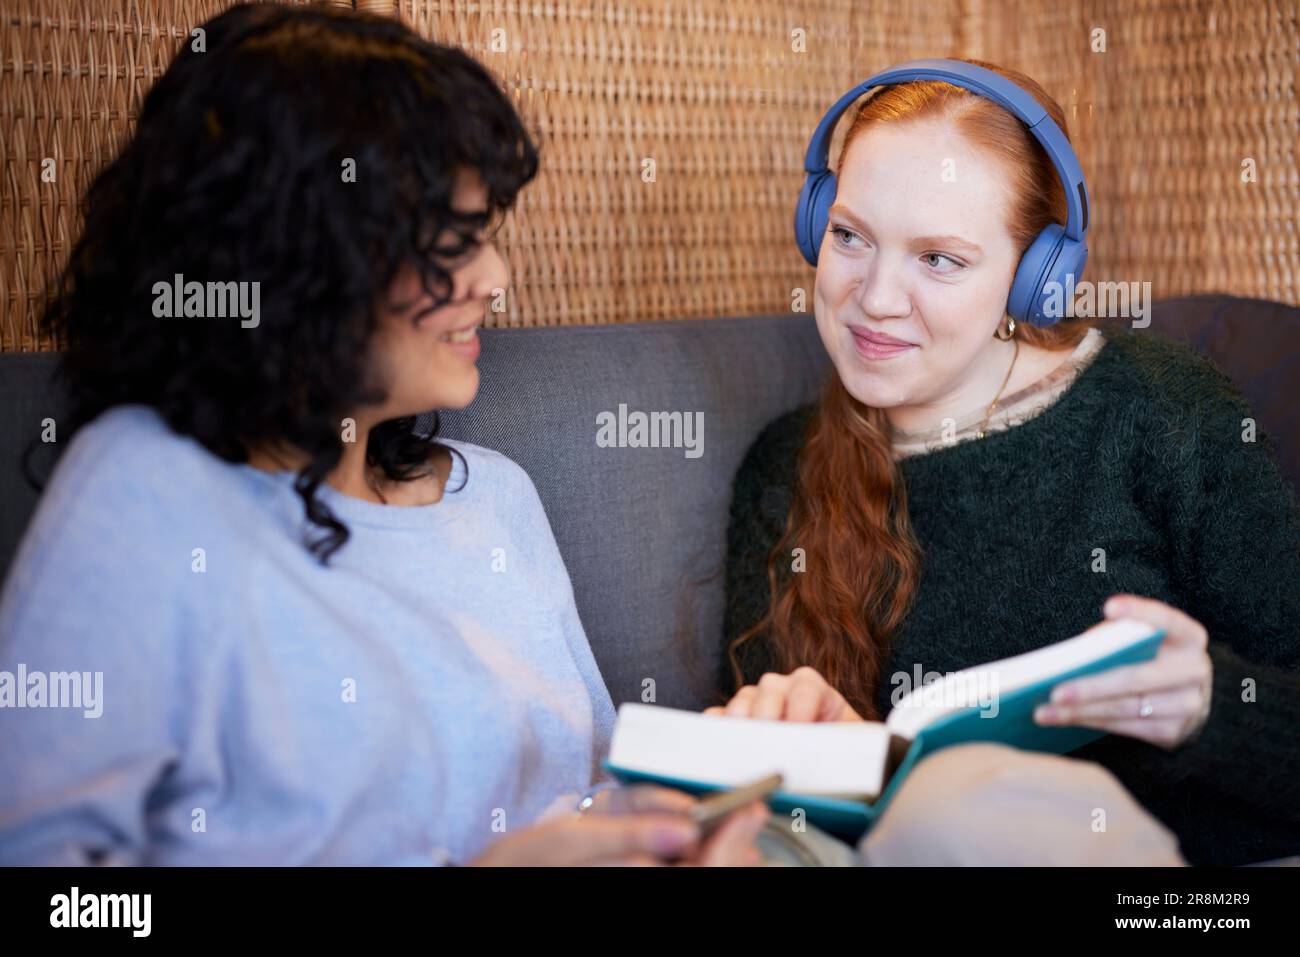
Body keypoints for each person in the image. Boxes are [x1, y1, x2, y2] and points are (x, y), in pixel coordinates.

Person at [0, 2, 769, 867]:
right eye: (451, 243)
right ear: (303, 256)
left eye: (487, 236)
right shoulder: (145, 492)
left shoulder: (495, 498)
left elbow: (585, 797)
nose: (494, 277)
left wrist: (719, 782)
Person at [717, 58, 1300, 866]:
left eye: (939, 259)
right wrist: (810, 741)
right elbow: (783, 819)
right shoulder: (783, 467)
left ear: (1035, 280)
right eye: (849, 236)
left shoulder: (1162, 411)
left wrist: (1211, 706)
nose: (875, 296)